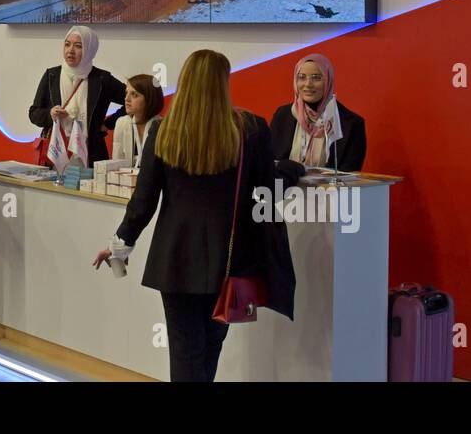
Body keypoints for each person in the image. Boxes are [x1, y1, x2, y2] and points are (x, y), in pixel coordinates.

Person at [93, 49, 302, 382]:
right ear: (222, 83)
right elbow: (266, 193)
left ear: (186, 81)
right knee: (211, 347)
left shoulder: (163, 131)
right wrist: (291, 170)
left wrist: (119, 244)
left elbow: (144, 200)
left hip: (174, 259)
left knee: (185, 350)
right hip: (230, 260)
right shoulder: (250, 129)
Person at [29, 26, 127, 166]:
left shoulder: (101, 79)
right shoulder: (52, 75)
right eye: (67, 44)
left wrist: (108, 124)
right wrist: (50, 114)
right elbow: (34, 113)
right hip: (56, 154)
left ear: (89, 49)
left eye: (78, 46)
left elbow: (133, 100)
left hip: (90, 154)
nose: (70, 50)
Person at [268, 54, 367, 172]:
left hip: (329, 190)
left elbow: (348, 175)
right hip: (285, 189)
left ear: (328, 80)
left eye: (316, 77)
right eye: (302, 77)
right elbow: (269, 164)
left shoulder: (351, 124)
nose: (308, 84)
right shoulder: (283, 115)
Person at [110, 74, 164, 166]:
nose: (126, 99)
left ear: (149, 98)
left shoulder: (163, 127)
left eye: (134, 95)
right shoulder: (121, 123)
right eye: (126, 93)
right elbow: (117, 164)